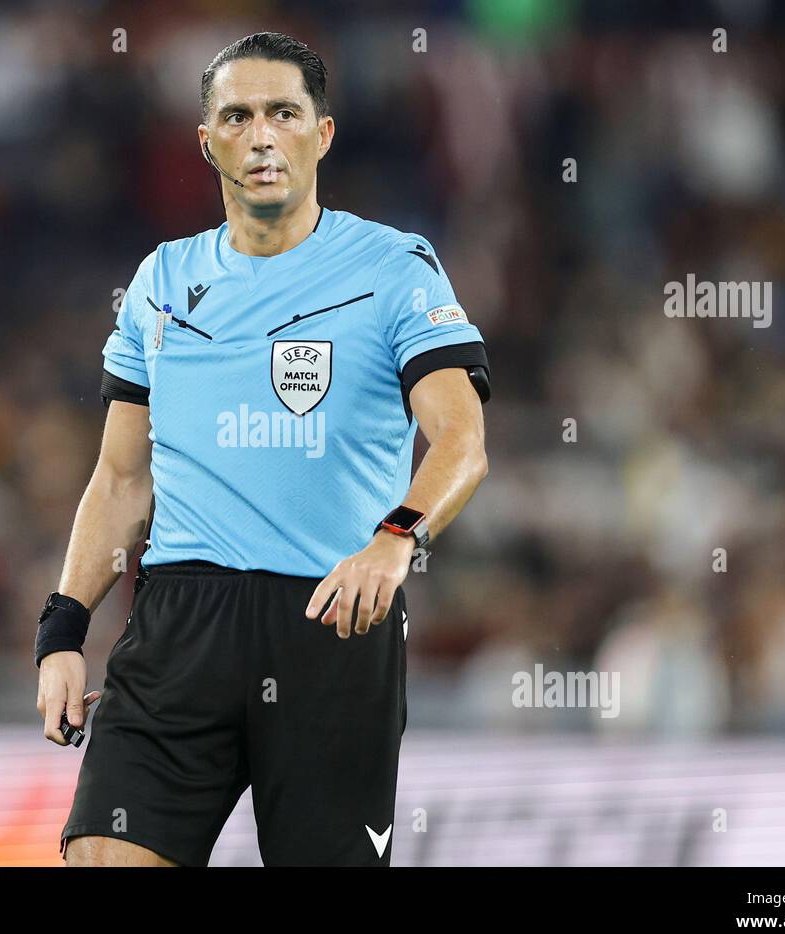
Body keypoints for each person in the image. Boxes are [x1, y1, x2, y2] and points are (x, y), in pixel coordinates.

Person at [36, 31, 491, 867]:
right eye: (237, 117)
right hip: (179, 626)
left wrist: (396, 540)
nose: (261, 135)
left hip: (330, 630)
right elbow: (120, 477)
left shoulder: (395, 270)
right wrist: (63, 628)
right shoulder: (161, 282)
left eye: (283, 112)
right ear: (207, 143)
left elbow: (462, 439)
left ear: (321, 134)